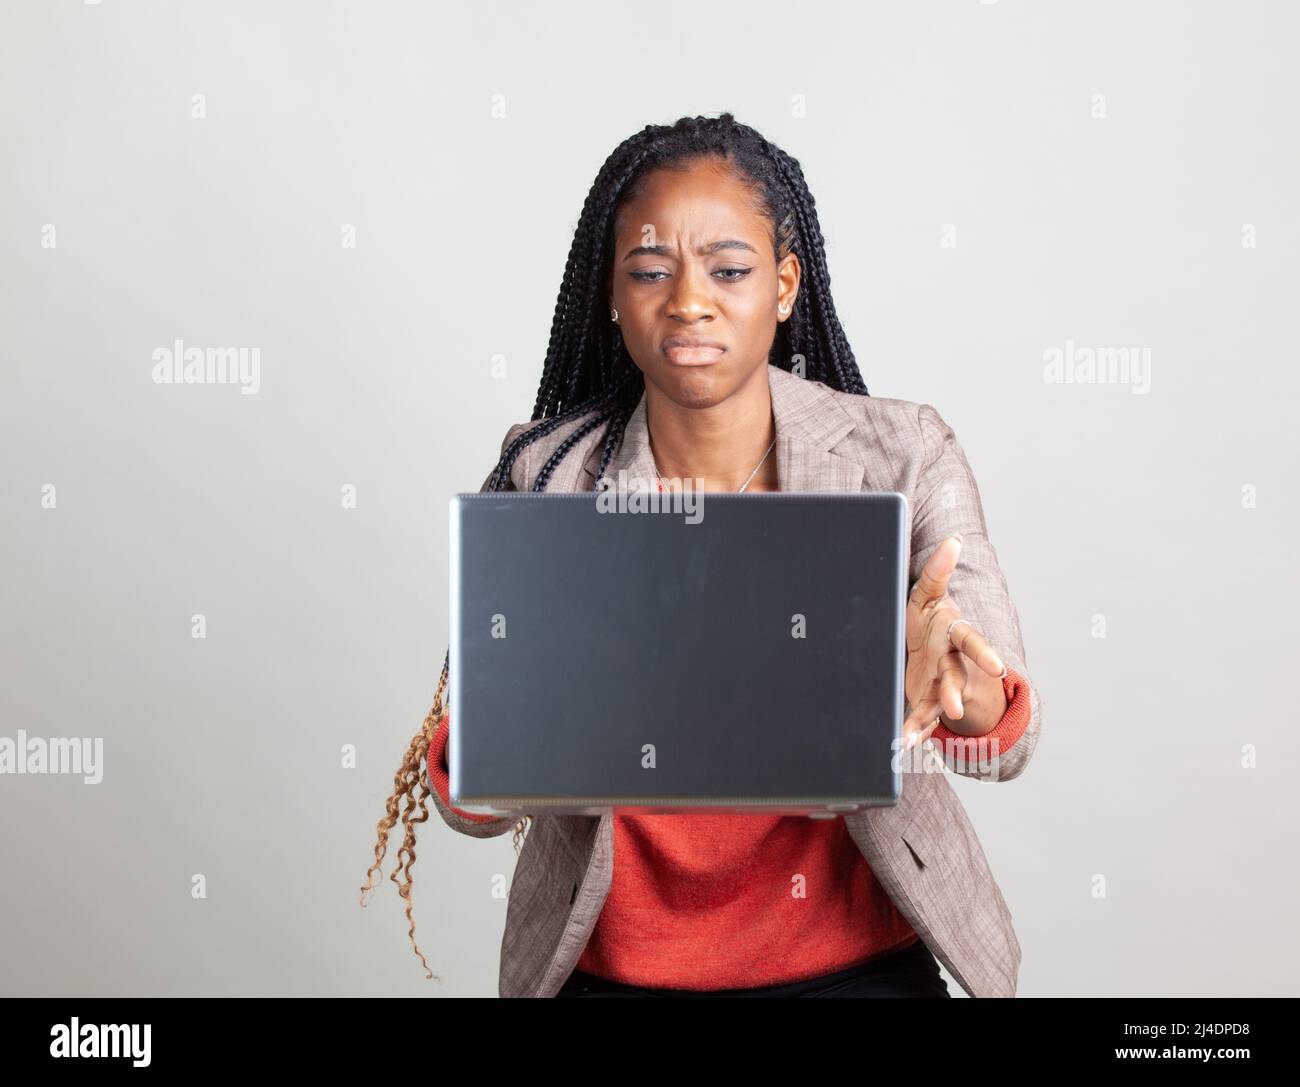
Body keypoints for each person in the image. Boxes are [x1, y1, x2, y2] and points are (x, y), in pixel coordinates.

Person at [361, 112, 1042, 998]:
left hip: (857, 968)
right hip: (613, 975)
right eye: (650, 270)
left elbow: (1004, 745)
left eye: (729, 269)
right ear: (612, 291)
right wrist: (500, 740)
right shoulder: (550, 472)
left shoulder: (902, 454)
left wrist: (961, 686)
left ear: (786, 285)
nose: (689, 300)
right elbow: (473, 806)